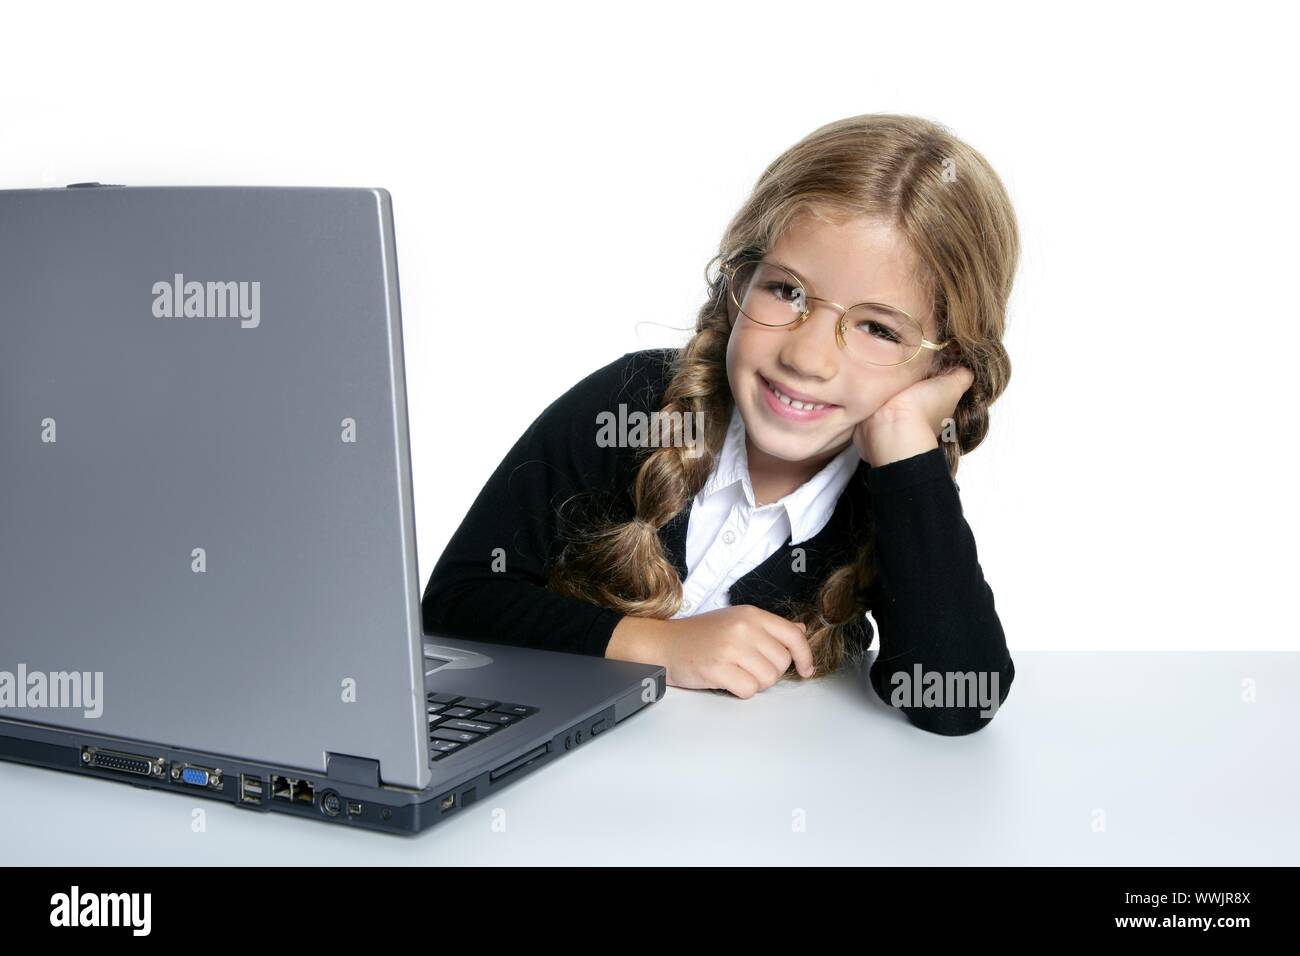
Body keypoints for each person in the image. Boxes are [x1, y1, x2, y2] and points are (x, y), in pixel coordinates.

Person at [422, 113, 1018, 735]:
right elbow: (454, 604)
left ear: (946, 366)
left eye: (879, 328)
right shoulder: (632, 409)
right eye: (787, 292)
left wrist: (906, 451)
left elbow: (955, 700)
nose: (806, 358)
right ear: (741, 278)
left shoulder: (890, 494)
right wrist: (664, 647)